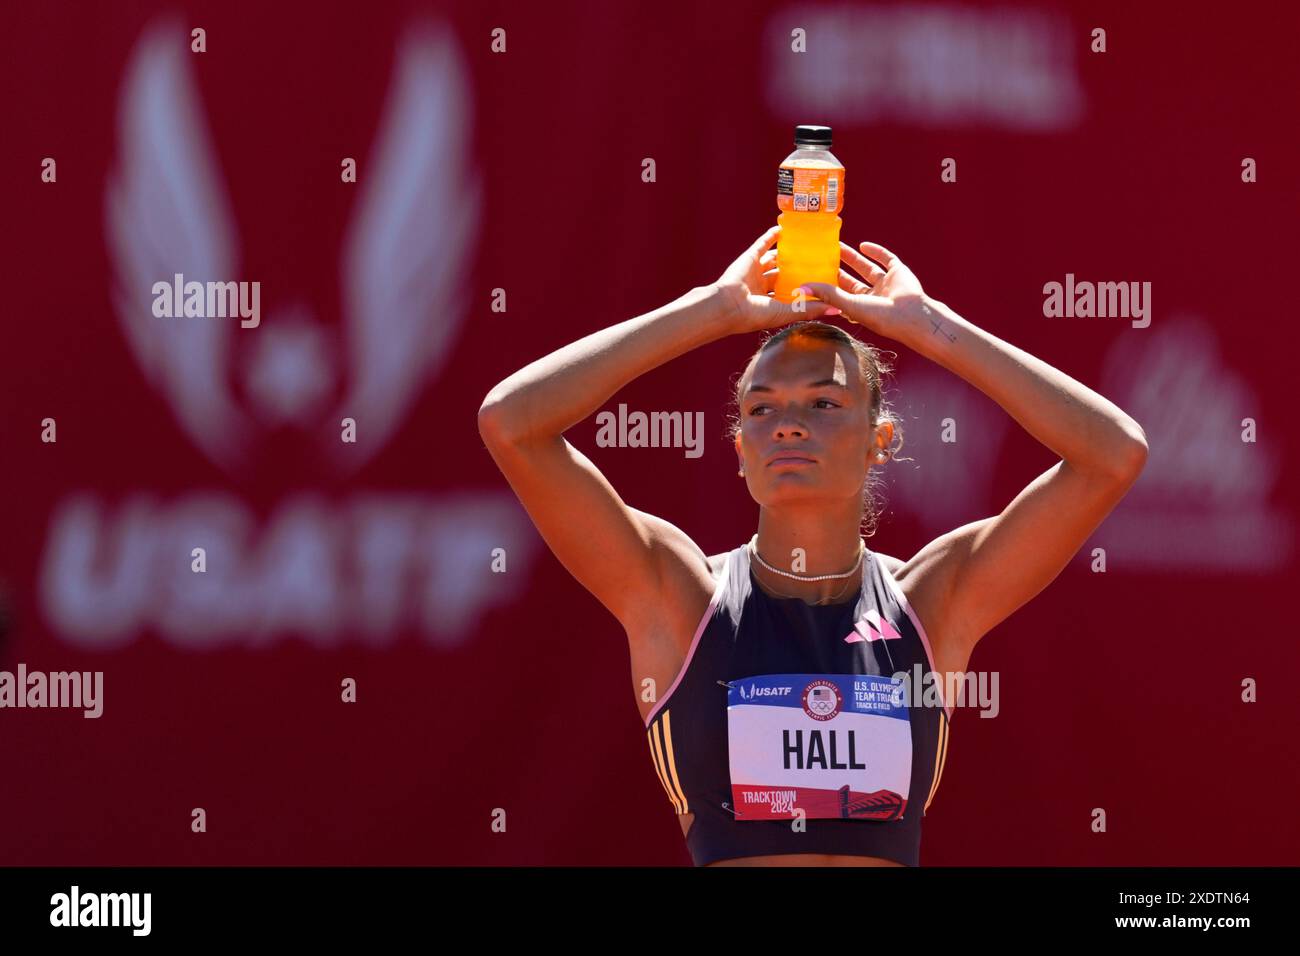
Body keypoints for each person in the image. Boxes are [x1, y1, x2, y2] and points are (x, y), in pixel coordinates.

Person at [477, 225, 1148, 866]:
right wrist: (709, 310)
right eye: (762, 408)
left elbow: (1112, 454)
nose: (788, 426)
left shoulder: (932, 600)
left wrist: (928, 326)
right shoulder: (680, 595)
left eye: (824, 404)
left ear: (880, 440)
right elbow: (512, 423)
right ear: (739, 451)